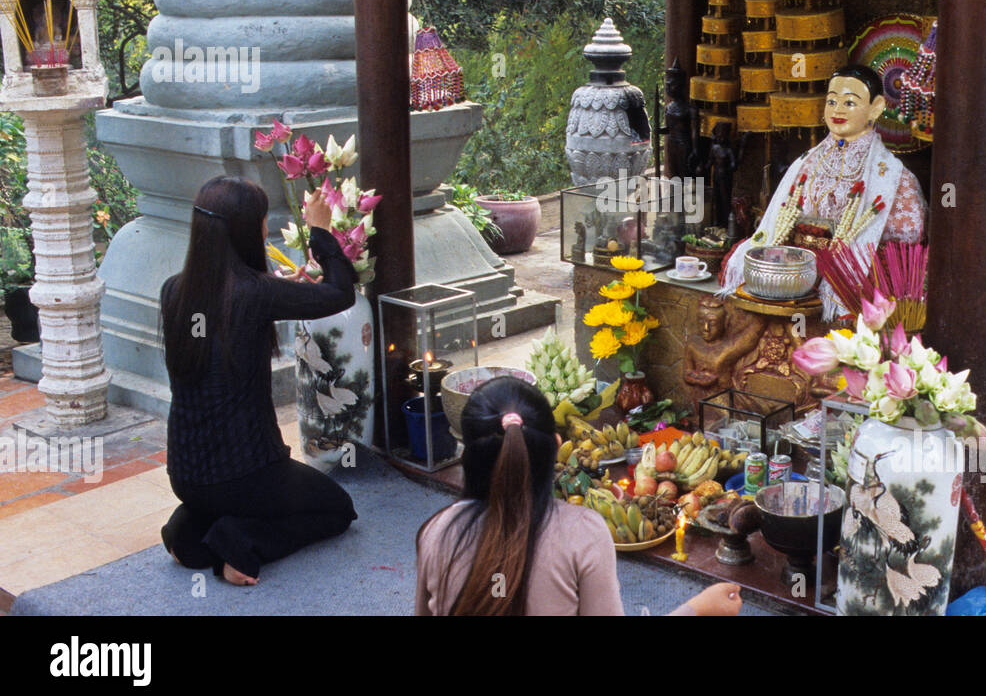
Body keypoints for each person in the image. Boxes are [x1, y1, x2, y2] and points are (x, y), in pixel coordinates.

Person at [158, 176, 359, 585]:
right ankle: (243, 541)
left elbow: (235, 309)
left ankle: (188, 532)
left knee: (228, 496)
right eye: (263, 221)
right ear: (246, 230)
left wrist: (286, 291)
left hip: (184, 477)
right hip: (246, 476)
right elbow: (342, 293)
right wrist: (320, 230)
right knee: (338, 509)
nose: (266, 229)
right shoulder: (255, 294)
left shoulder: (174, 291)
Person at [415, 376, 743, 616]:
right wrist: (696, 609)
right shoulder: (582, 532)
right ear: (558, 446)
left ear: (467, 451)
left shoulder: (437, 531)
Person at [720, 65, 928, 320]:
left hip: (848, 261)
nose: (837, 110)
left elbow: (905, 237)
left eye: (850, 102)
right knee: (743, 256)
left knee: (872, 284)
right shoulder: (807, 161)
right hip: (800, 259)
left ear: (876, 107)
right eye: (831, 101)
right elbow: (782, 220)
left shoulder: (893, 176)